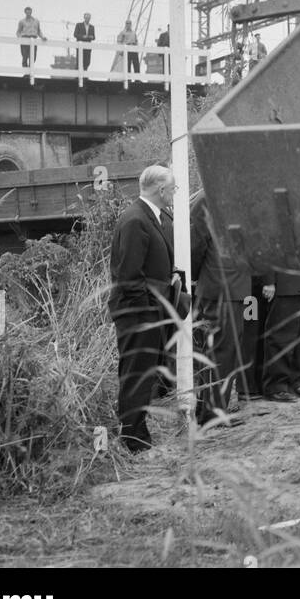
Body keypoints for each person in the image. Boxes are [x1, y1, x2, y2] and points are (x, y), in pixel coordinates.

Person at [108, 165, 178, 452]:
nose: (174, 193)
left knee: (143, 373)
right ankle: (133, 438)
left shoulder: (150, 217)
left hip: (147, 311)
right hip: (138, 315)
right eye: (173, 188)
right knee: (136, 374)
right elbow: (129, 276)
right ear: (160, 190)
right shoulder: (135, 220)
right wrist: (148, 314)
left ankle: (137, 431)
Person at [189, 191, 251, 427]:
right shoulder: (208, 197)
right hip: (218, 287)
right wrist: (195, 277)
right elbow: (196, 243)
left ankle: (215, 410)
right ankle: (212, 414)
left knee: (228, 352)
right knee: (219, 353)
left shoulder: (233, 193)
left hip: (234, 287)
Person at [261, 269, 300, 403]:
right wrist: (269, 282)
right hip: (283, 283)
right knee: (280, 337)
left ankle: (296, 381)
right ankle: (276, 386)